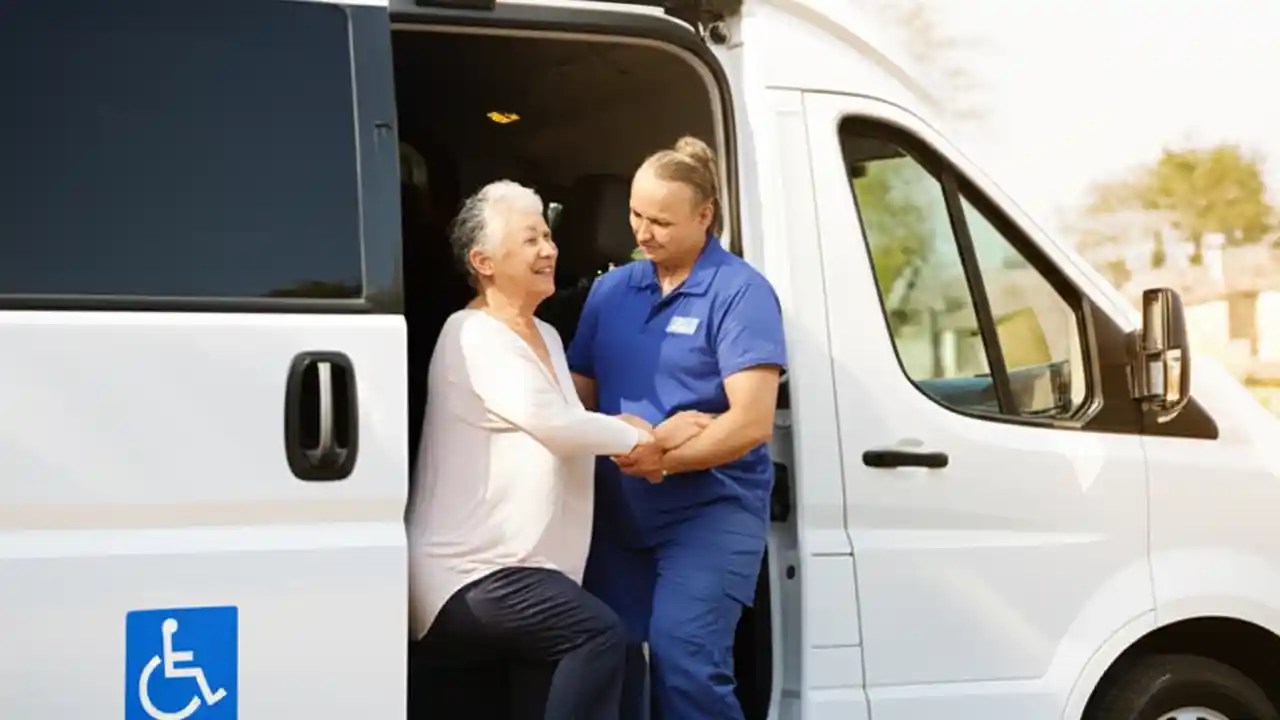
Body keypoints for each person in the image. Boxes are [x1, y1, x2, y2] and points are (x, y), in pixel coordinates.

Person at [405, 179, 710, 720]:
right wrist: (650, 440)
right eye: (530, 240)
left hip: (532, 573)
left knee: (615, 656)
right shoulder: (472, 333)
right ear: (484, 261)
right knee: (598, 636)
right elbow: (555, 425)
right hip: (474, 573)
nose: (549, 250)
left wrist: (629, 429)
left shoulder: (543, 334)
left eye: (548, 235)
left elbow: (571, 421)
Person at [567, 137, 787, 719]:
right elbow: (576, 398)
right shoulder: (610, 291)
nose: (644, 232)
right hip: (615, 514)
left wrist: (664, 460)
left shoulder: (740, 292)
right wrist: (638, 441)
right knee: (612, 666)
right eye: (636, 214)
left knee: (683, 661)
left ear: (704, 215)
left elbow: (750, 421)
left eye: (661, 221)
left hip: (708, 511)